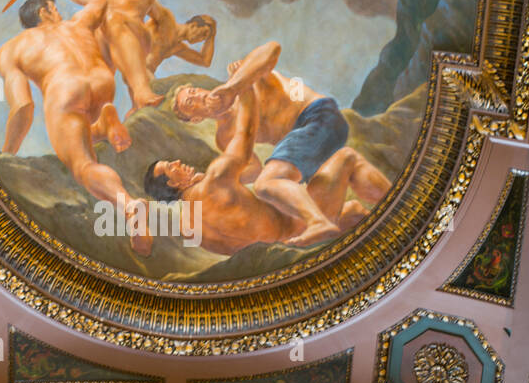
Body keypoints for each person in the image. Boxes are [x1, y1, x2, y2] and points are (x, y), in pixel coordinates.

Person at [172, 41, 390, 246]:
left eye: (193, 91)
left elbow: (272, 48)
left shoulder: (242, 76)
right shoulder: (224, 136)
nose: (197, 96)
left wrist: (234, 86)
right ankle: (394, 206)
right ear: (196, 118)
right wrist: (216, 180)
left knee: (268, 183)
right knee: (344, 162)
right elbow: (252, 168)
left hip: (316, 117)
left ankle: (318, 223)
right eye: (190, 102)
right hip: (307, 152)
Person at [0, 0, 151, 253]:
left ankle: (129, 207)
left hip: (65, 90)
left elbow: (23, 106)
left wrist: (6, 155)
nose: (61, 12)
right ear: (46, 11)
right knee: (85, 135)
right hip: (102, 82)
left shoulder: (12, 48)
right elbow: (98, 1)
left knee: (83, 166)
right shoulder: (78, 24)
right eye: (56, 8)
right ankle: (103, 125)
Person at [143, 73, 376, 254]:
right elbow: (245, 134)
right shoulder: (215, 178)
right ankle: (398, 214)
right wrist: (244, 89)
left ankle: (367, 225)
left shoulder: (188, 226)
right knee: (346, 158)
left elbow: (234, 244)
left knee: (353, 211)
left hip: (277, 247)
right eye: (169, 167)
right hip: (295, 228)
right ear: (172, 184)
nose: (176, 162)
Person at [145, 6, 215, 73]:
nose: (201, 39)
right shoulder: (166, 20)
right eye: (203, 34)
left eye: (205, 38)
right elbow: (146, 2)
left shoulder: (178, 47)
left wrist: (212, 36)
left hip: (142, 77)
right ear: (193, 25)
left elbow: (205, 61)